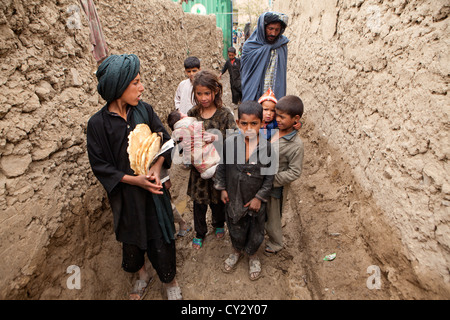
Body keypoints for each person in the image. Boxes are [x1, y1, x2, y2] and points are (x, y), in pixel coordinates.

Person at [86, 54, 182, 300]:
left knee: (160, 235)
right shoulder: (98, 124)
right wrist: (134, 181)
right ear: (119, 87)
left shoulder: (144, 110)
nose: (142, 87)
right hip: (126, 196)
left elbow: (166, 139)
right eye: (135, 82)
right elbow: (101, 166)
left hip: (154, 191)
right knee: (132, 239)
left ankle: (170, 280)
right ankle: (142, 275)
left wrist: (157, 167)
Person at [214, 101, 274, 281]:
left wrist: (259, 197)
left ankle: (253, 254)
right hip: (234, 196)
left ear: (262, 124)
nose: (249, 128)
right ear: (238, 123)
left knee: (256, 230)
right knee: (235, 226)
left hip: (254, 199)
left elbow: (269, 177)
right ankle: (236, 250)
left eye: (254, 124)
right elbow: (222, 167)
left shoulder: (267, 148)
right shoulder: (230, 143)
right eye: (244, 124)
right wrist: (222, 188)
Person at [186, 70, 237, 249]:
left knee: (218, 199)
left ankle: (218, 224)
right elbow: (185, 137)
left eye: (207, 93)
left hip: (219, 168)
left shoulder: (224, 115)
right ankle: (200, 232)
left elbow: (235, 139)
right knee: (199, 203)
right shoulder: (192, 114)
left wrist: (216, 138)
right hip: (198, 169)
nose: (203, 98)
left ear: (215, 92)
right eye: (199, 94)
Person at [265, 95, 304, 256]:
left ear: (295, 119)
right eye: (276, 114)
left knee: (273, 214)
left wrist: (273, 180)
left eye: (282, 116)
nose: (277, 119)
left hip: (275, 185)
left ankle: (276, 242)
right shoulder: (276, 130)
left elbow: (295, 171)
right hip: (263, 177)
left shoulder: (296, 145)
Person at [241, 12, 289, 102]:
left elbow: (281, 73)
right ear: (263, 27)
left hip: (274, 94)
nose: (273, 33)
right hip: (254, 93)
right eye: (270, 29)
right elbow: (247, 74)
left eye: (277, 30)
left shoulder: (281, 45)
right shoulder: (250, 46)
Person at [168, 109, 221, 179]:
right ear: (182, 118)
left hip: (203, 168)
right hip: (210, 165)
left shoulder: (224, 113)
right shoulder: (193, 117)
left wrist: (216, 137)